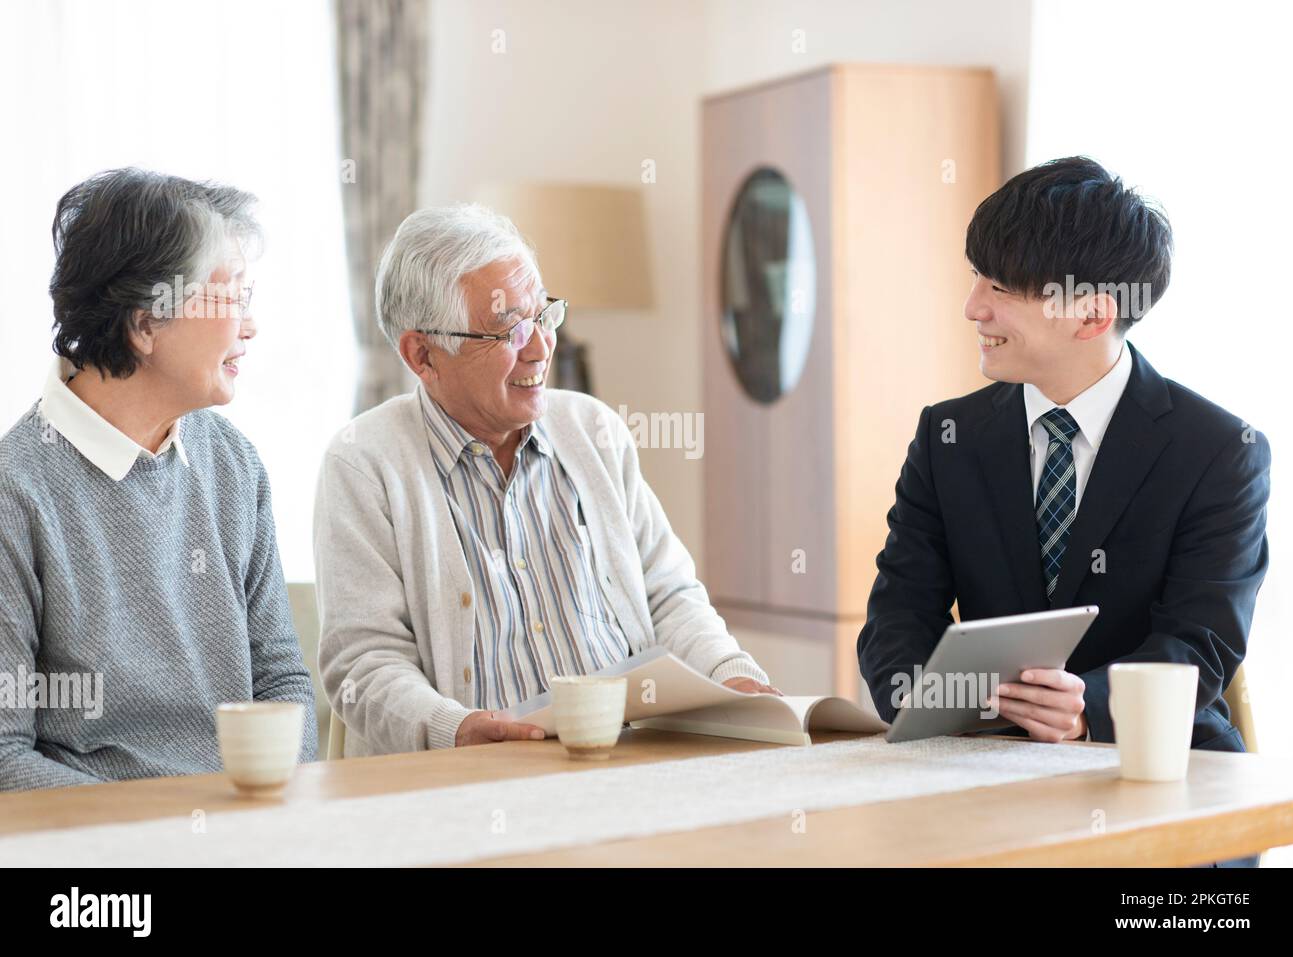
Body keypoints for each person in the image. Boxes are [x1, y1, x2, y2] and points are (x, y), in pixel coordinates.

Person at [314, 203, 777, 755]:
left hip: (626, 760)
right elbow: (362, 663)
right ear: (423, 355)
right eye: (508, 329)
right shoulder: (363, 463)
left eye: (542, 315)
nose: (539, 347)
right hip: (466, 782)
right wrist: (453, 729)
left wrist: (729, 674)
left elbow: (670, 595)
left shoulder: (594, 430)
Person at [859, 156, 1269, 759]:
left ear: (1093, 314)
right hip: (982, 760)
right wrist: (936, 708)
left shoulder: (1219, 453)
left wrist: (1086, 712)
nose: (974, 307)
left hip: (1156, 764)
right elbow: (899, 612)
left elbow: (1199, 643)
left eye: (999, 287)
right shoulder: (948, 435)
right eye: (977, 277)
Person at [0, 169, 317, 791]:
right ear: (146, 324)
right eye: (233, 300)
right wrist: (165, 837)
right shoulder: (18, 491)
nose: (249, 328)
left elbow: (281, 681)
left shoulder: (233, 463)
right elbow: (5, 756)